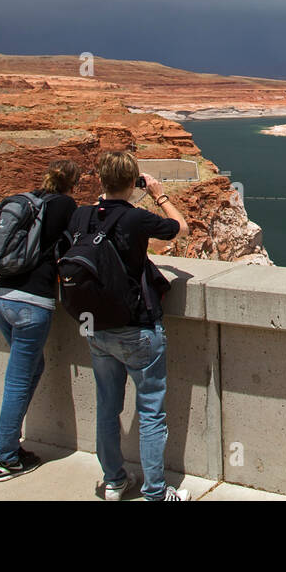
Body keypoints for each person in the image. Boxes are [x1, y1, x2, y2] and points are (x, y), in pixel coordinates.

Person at [68, 150, 191, 501]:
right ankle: (155, 492)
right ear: (132, 180)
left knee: (107, 408)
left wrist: (104, 199)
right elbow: (180, 230)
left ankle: (113, 481)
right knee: (150, 411)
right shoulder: (136, 218)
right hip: (137, 328)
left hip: (96, 329)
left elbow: (90, 230)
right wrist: (159, 193)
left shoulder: (81, 215)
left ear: (102, 181)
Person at [0, 159, 80, 481]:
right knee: (17, 380)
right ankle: (6, 458)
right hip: (31, 304)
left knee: (30, 369)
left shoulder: (28, 201)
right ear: (74, 184)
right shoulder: (66, 204)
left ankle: (9, 446)